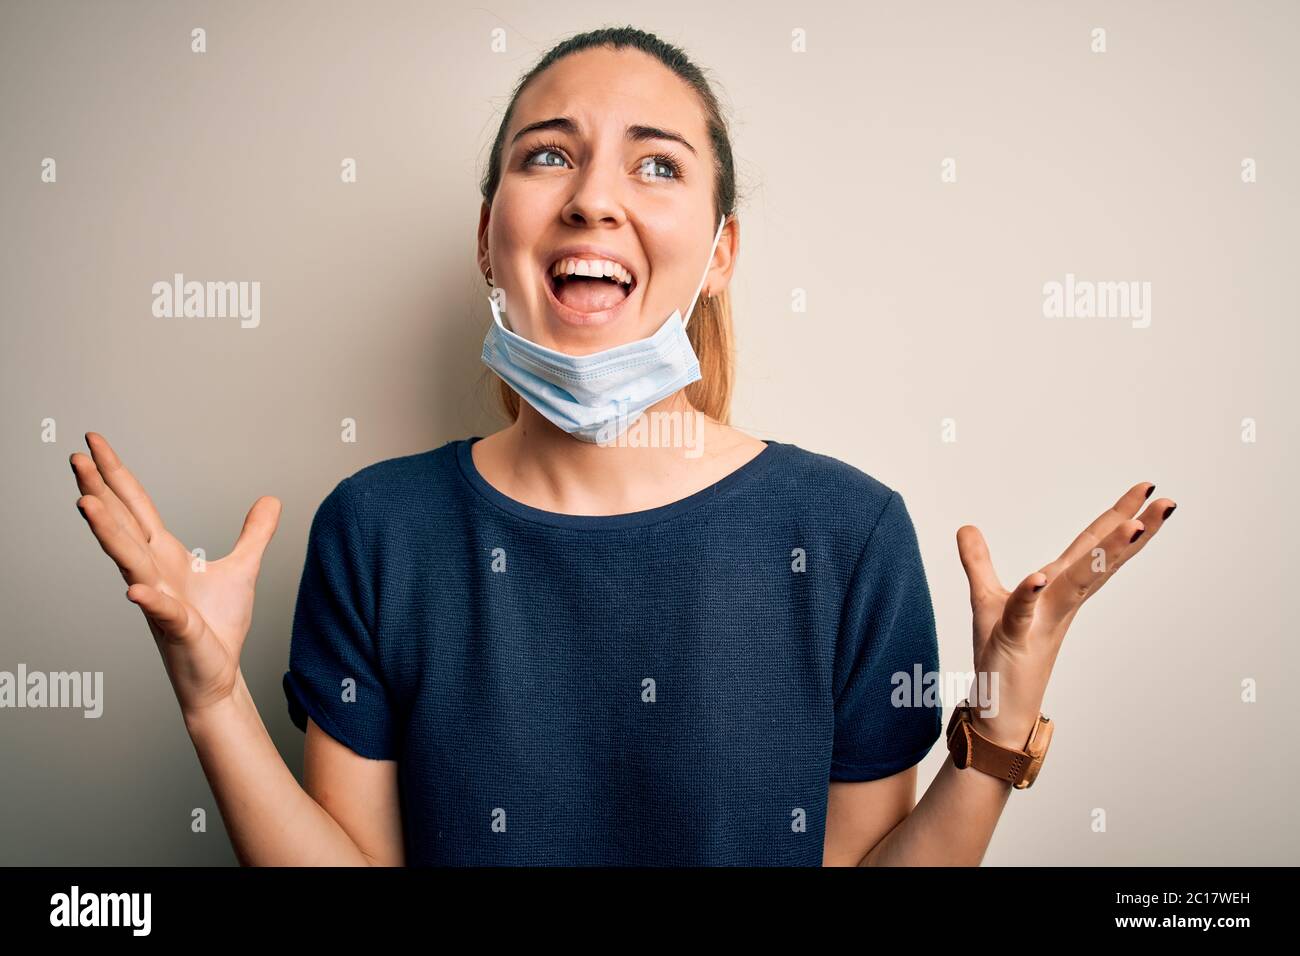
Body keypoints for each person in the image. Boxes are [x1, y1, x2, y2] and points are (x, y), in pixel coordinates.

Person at [70, 26, 1175, 866]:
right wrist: (211, 696)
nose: (594, 197)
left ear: (720, 252)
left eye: (655, 166)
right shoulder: (377, 528)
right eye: (549, 156)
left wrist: (1000, 719)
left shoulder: (847, 532)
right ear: (488, 238)